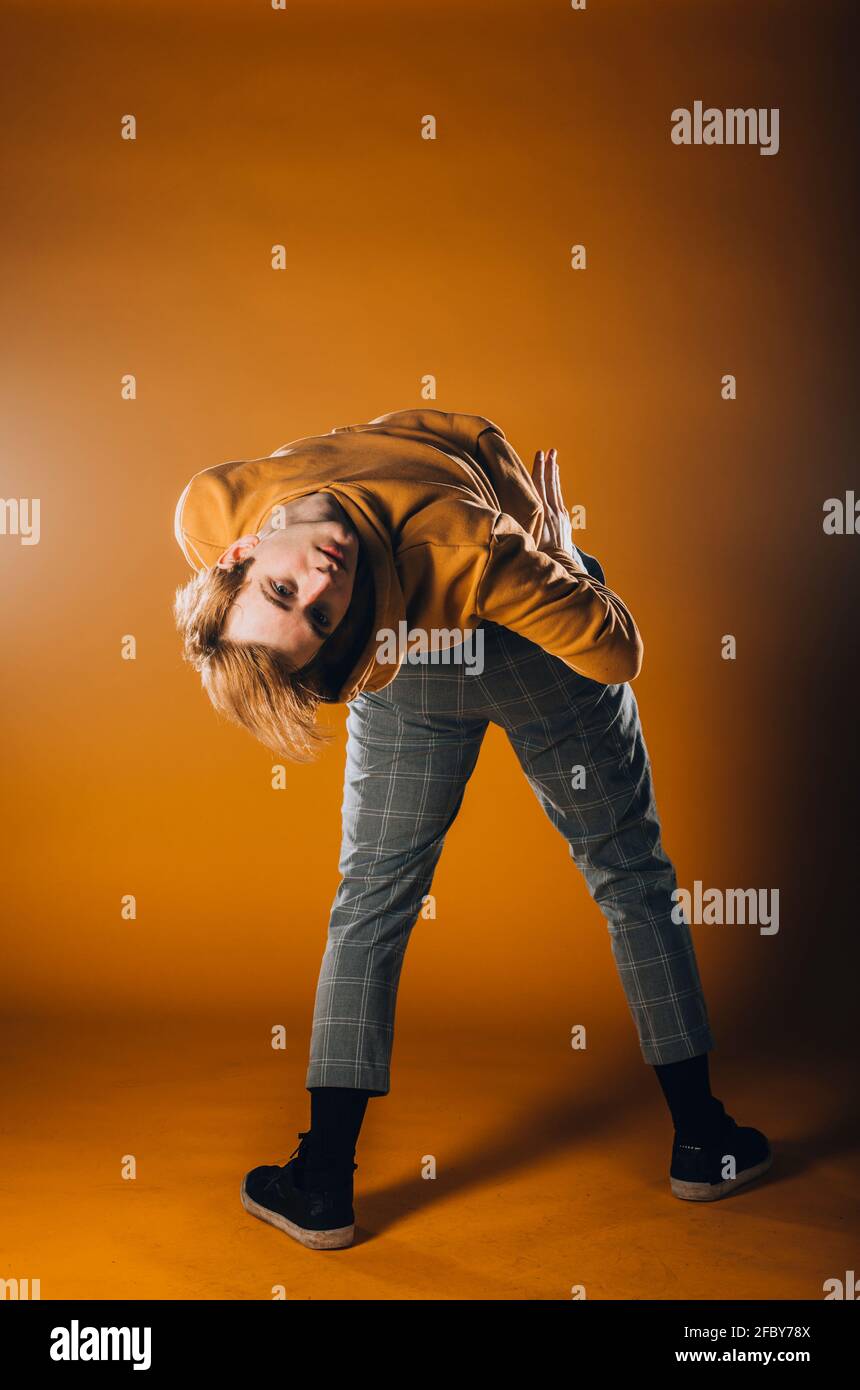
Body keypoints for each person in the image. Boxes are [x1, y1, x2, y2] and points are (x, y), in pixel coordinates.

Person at [173, 408, 772, 1250]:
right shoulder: (468, 548)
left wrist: (490, 490)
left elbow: (439, 432)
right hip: (505, 650)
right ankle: (705, 1142)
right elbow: (616, 651)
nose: (317, 586)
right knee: (629, 876)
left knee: (371, 903)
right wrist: (559, 559)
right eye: (316, 620)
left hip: (420, 656)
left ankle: (320, 1187)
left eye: (285, 592)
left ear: (238, 553)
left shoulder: (210, 506)